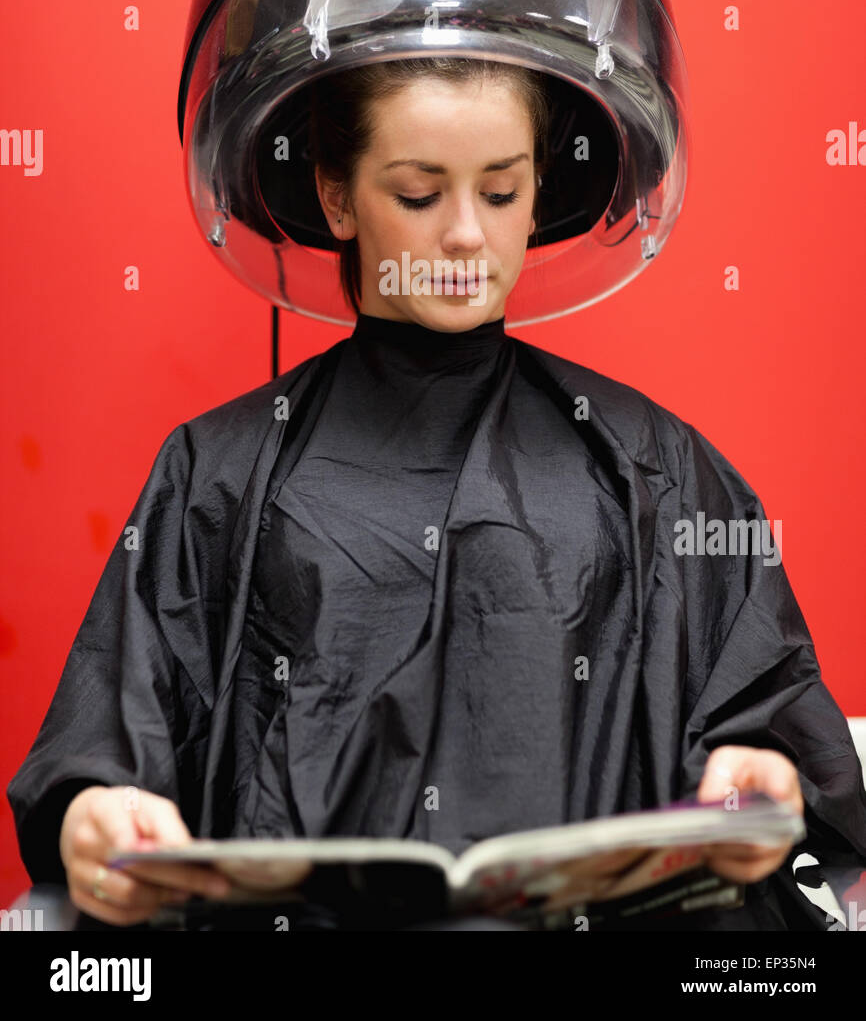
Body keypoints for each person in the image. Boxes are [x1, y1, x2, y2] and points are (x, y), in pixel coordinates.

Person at [7, 56, 866, 931]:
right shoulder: (217, 474)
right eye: (419, 195)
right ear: (337, 198)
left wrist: (761, 788)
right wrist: (93, 817)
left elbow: (778, 734)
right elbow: (107, 741)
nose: (464, 236)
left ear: (539, 193)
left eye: (500, 193)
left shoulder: (655, 467)